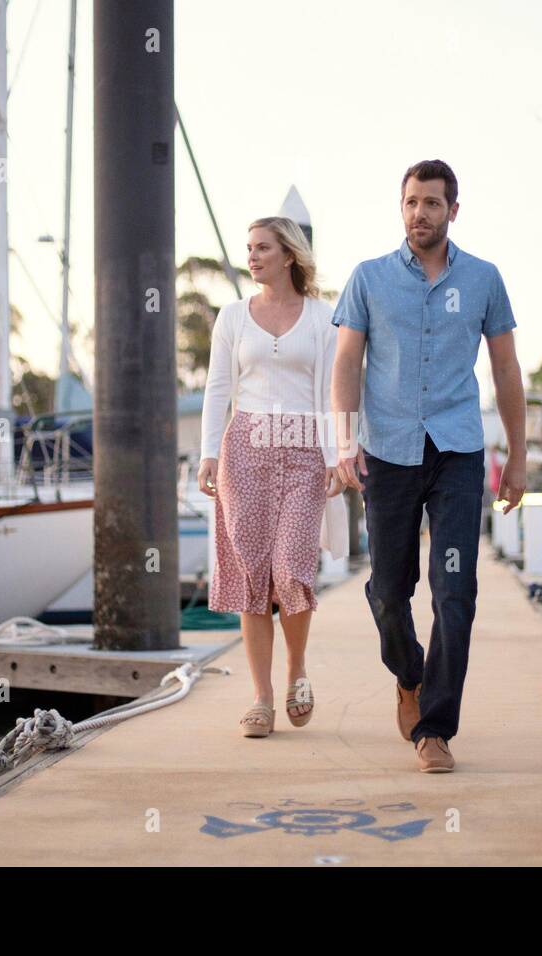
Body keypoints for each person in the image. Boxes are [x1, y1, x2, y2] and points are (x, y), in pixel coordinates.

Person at [331, 159, 528, 772]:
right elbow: (345, 365)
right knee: (390, 591)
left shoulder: (484, 280)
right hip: (386, 453)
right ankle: (409, 674)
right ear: (402, 207)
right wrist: (343, 442)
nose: (420, 213)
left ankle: (435, 728)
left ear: (453, 211)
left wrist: (516, 458)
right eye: (412, 202)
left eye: (432, 204)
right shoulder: (368, 278)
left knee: (454, 591)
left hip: (458, 452)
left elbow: (505, 370)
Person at [198, 216, 345, 738]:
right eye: (249, 248)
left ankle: (296, 670)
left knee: (291, 568)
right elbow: (218, 389)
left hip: (306, 452)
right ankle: (261, 698)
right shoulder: (233, 317)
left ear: (289, 255)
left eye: (263, 248)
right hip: (244, 451)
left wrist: (340, 455)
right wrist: (209, 453)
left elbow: (336, 391)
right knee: (250, 577)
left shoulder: (324, 317)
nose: (253, 256)